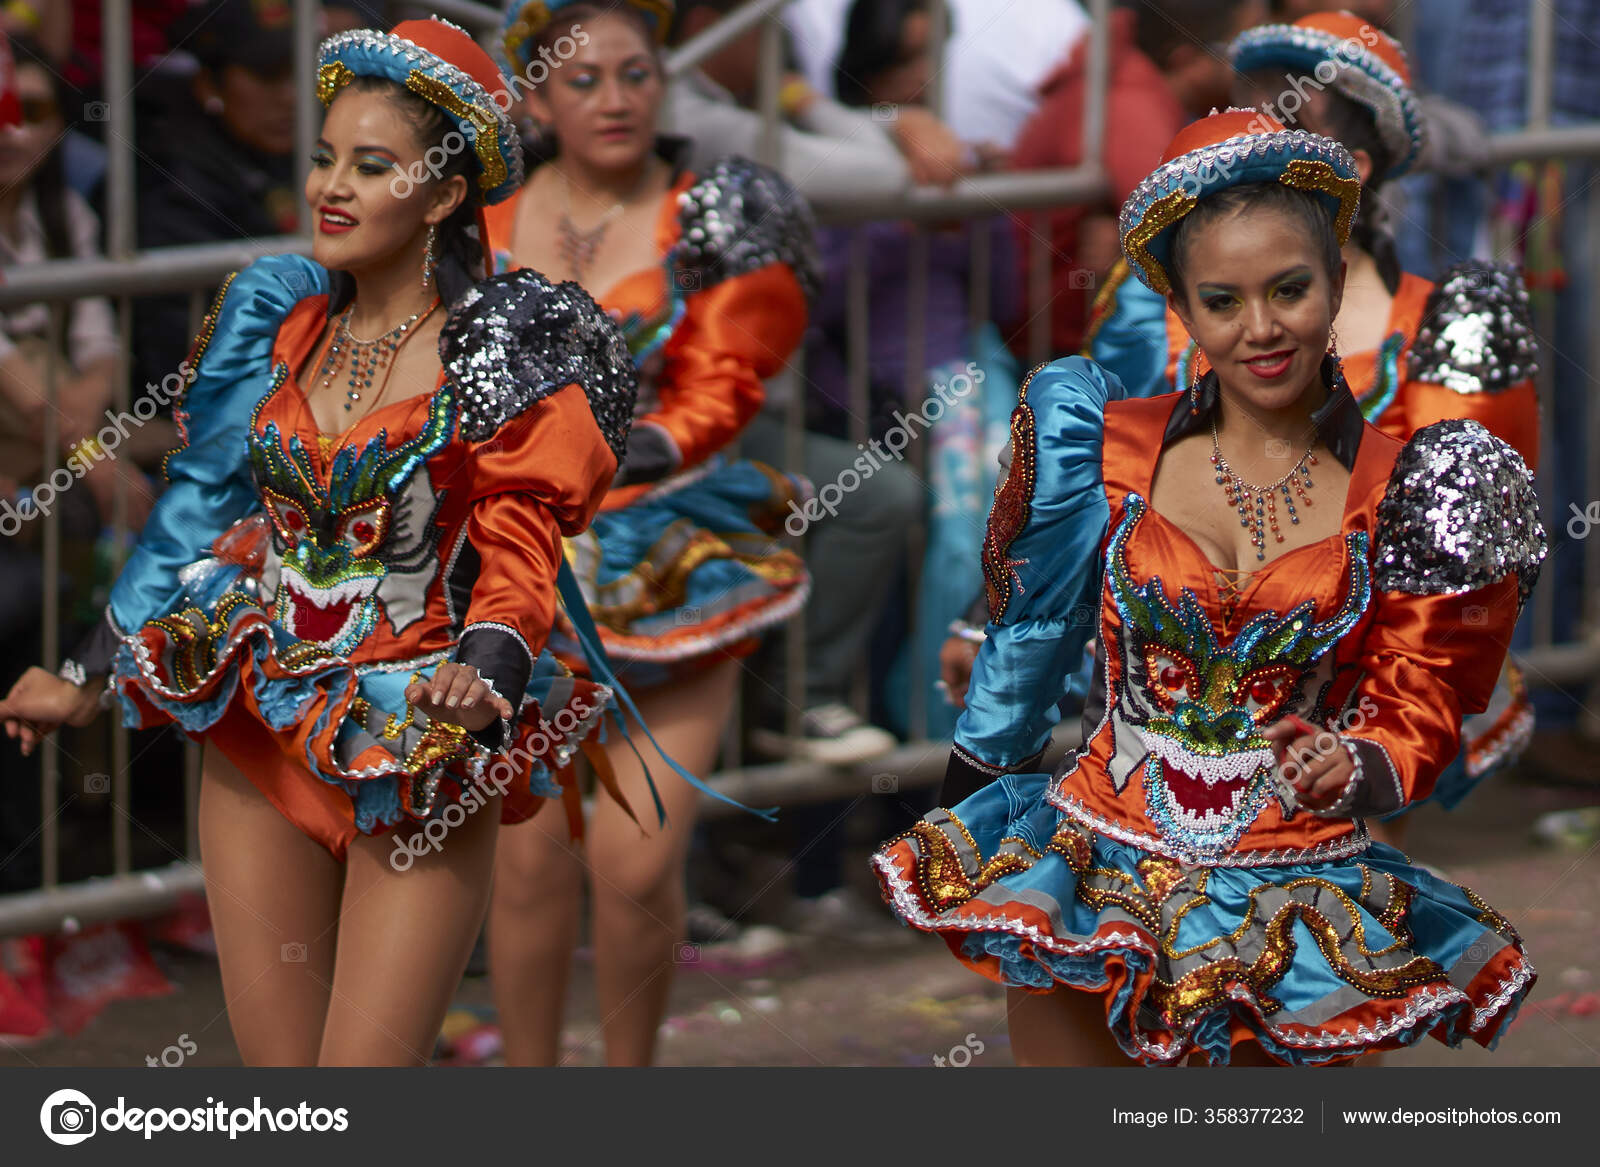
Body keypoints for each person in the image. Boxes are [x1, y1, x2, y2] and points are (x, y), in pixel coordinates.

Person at [0, 18, 636, 1066]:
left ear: (442, 194)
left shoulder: (502, 348)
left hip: (415, 740)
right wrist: (91, 672)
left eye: (372, 165)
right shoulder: (276, 320)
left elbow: (520, 539)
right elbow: (199, 508)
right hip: (261, 721)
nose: (331, 186)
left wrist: (488, 664)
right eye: (324, 156)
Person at [872, 110, 1544, 1066]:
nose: (1261, 329)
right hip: (1093, 870)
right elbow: (1032, 640)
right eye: (1223, 300)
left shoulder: (1410, 487)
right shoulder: (1096, 447)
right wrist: (965, 804)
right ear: (1180, 311)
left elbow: (1421, 694)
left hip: (1300, 910)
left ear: (1335, 281)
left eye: (1289, 290)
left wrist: (1360, 762)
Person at [1086, 14, 1543, 829]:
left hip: (1351, 678)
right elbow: (1086, 480)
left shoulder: (1449, 328)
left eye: (1287, 125)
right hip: (1171, 675)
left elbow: (1461, 573)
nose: (1249, 144)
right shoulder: (1156, 310)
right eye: (1248, 113)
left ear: (1353, 169)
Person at [485, 0, 813, 1066]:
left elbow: (723, 384)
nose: (617, 99)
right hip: (509, 568)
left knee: (631, 867)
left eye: (637, 74)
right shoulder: (472, 221)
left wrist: (631, 449)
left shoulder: (716, 217)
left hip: (669, 560)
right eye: (583, 81)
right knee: (526, 865)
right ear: (535, 98)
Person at [1007, 0, 1267, 366]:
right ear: (1185, 59)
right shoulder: (1132, 101)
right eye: (1240, 47)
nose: (1255, 62)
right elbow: (1188, 228)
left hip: (1067, 336)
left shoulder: (1125, 78)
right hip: (1058, 350)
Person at [666, 0, 968, 199]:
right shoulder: (682, 113)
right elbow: (879, 170)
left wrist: (899, 121)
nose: (782, 37)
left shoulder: (706, 97)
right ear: (705, 26)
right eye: (766, 22)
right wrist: (806, 101)